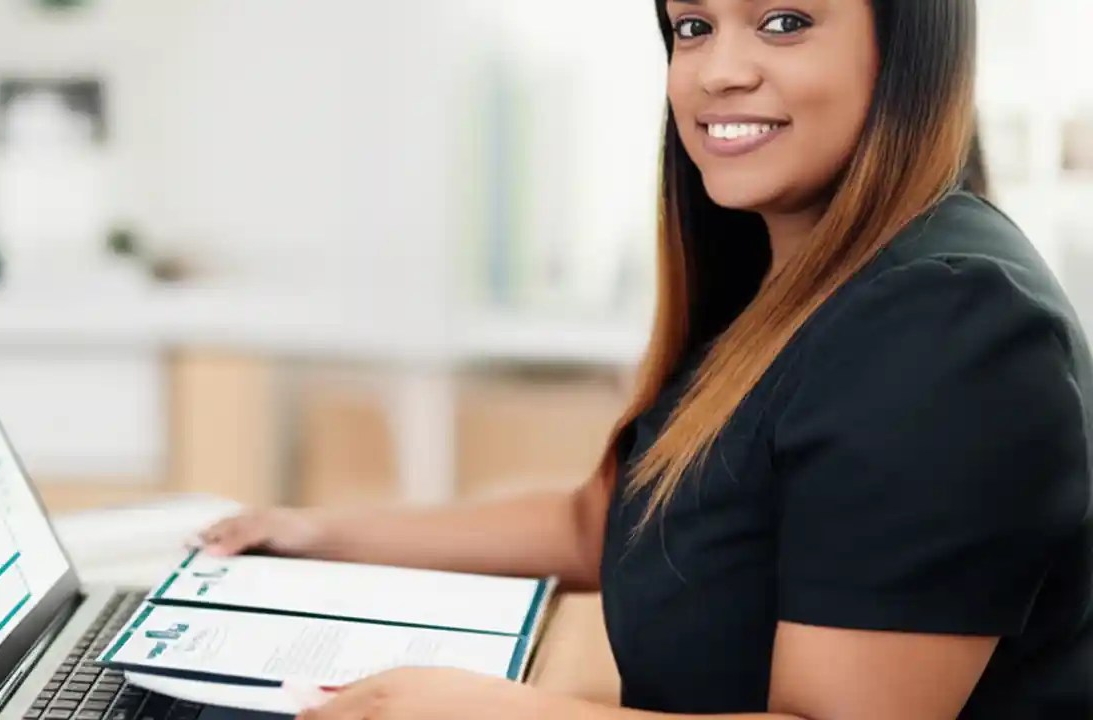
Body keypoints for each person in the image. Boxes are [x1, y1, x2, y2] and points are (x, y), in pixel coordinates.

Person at [198, 1, 1093, 718]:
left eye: (784, 22)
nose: (716, 71)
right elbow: (611, 523)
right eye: (691, 27)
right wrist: (318, 535)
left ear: (906, 50)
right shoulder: (784, 276)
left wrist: (491, 713)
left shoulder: (949, 327)